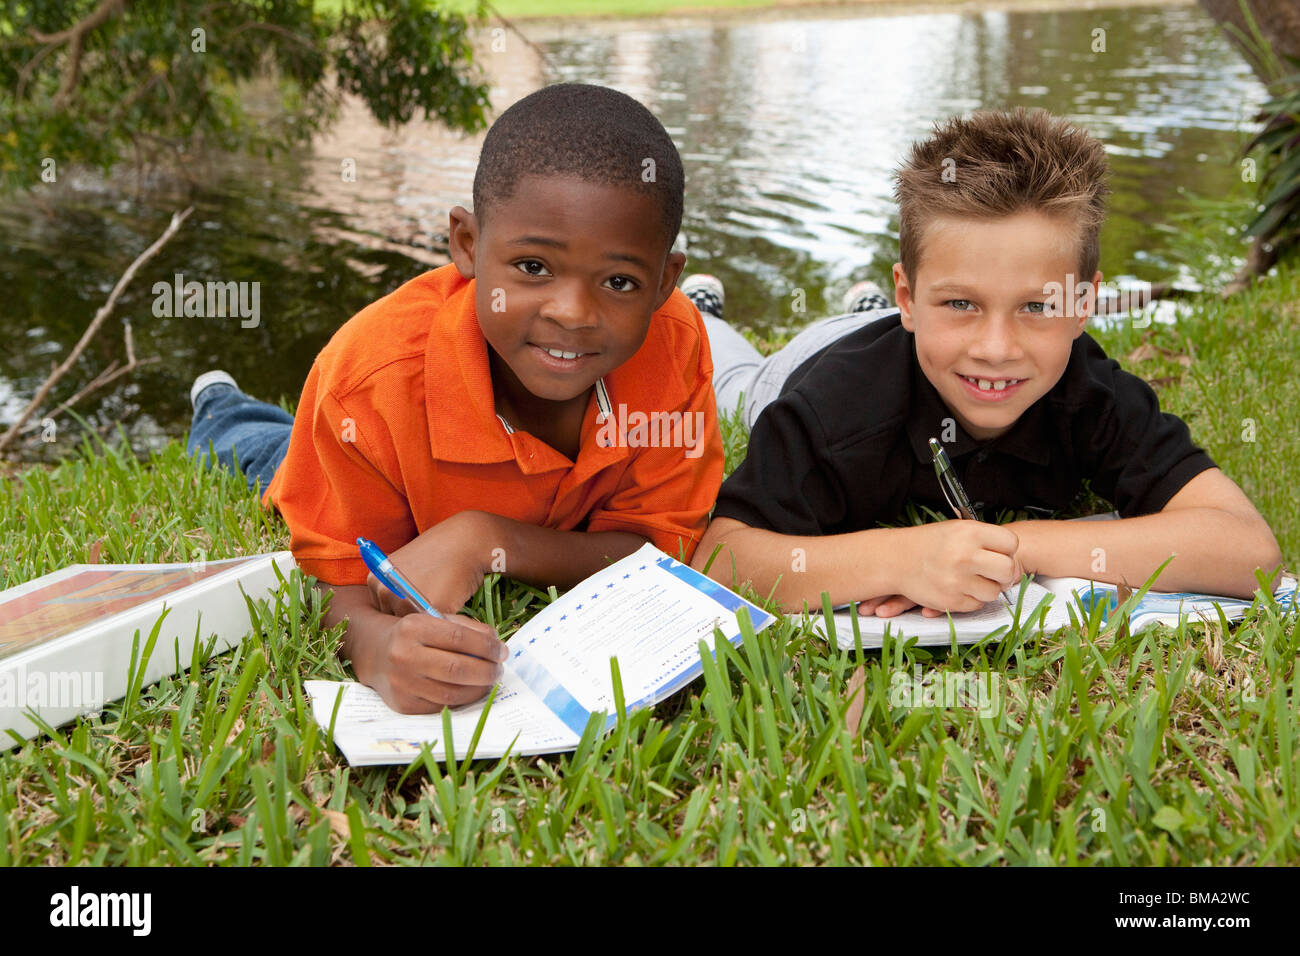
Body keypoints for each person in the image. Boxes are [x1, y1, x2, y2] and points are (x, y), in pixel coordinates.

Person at [187, 84, 722, 712]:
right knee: (265, 454)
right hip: (351, 464)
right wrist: (378, 649)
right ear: (467, 245)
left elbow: (661, 546)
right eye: (532, 268)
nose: (574, 313)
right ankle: (218, 403)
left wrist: (483, 539)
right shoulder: (369, 386)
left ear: (664, 282)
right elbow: (331, 582)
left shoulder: (674, 344)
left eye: (619, 281)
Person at [689, 107, 1281, 617]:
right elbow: (722, 558)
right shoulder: (833, 408)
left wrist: (1014, 545)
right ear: (910, 298)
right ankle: (705, 311)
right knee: (732, 380)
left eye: (1036, 306)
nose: (997, 348)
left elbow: (1248, 549)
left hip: (907, 329)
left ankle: (892, 306)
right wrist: (899, 558)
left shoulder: (1091, 394)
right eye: (962, 302)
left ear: (1083, 306)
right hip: (811, 359)